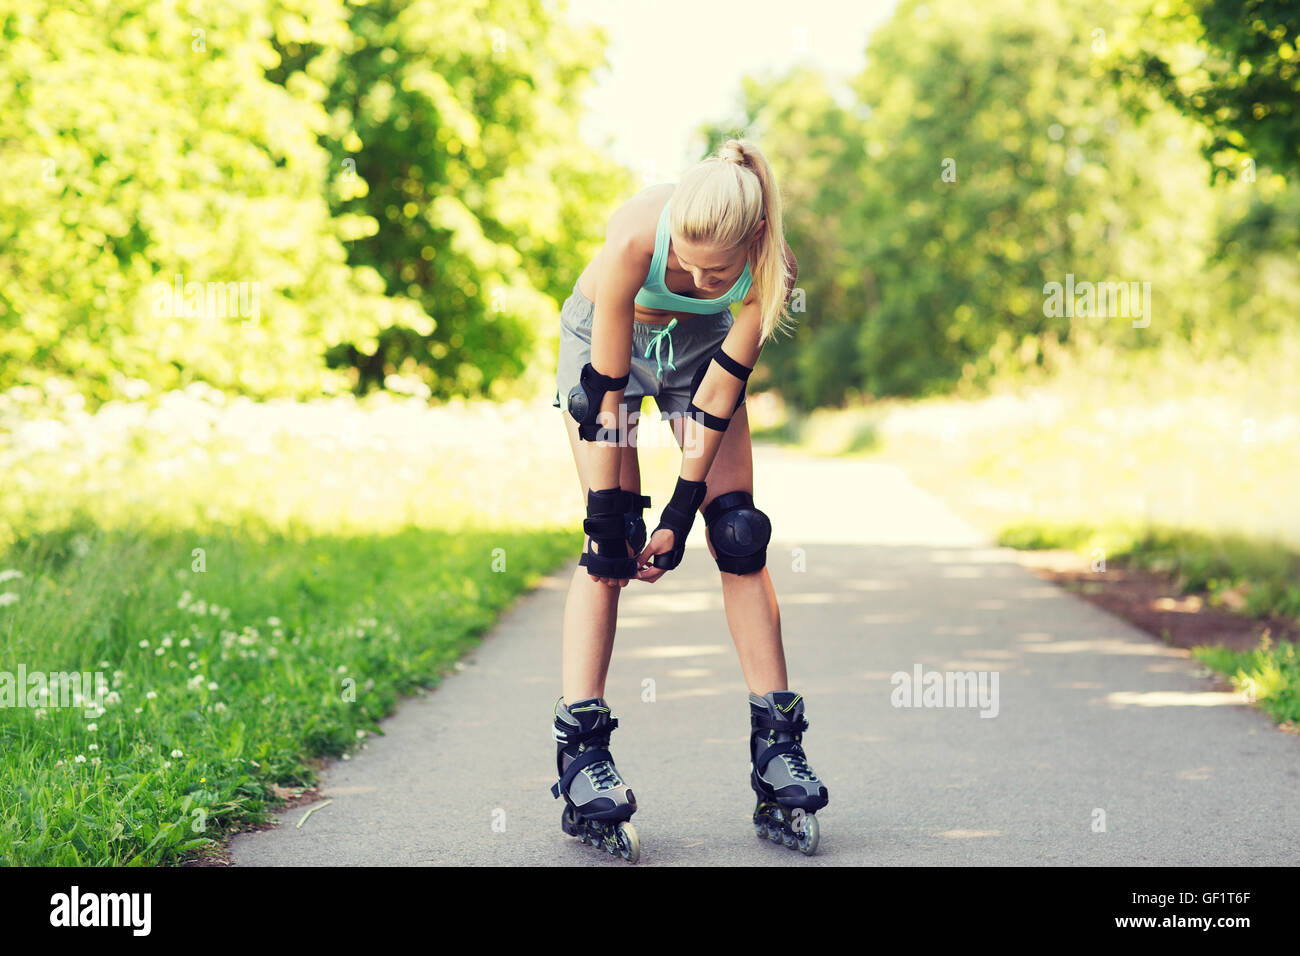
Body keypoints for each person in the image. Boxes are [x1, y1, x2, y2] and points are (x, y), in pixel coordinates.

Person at [549, 138, 829, 860]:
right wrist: (623, 509)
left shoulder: (772, 273)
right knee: (606, 542)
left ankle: (779, 748)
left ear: (755, 243)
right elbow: (609, 393)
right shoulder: (638, 233)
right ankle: (583, 753)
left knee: (738, 535)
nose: (699, 279)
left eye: (717, 272)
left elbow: (712, 404)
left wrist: (679, 518)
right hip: (607, 348)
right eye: (686, 265)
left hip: (702, 353)